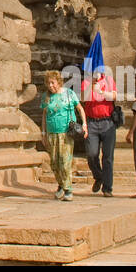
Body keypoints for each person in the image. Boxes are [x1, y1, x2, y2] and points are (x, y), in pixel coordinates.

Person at [41, 70, 87, 201]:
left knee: (65, 161)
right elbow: (44, 115)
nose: (50, 86)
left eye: (53, 83)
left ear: (59, 82)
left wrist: (84, 124)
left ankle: (68, 189)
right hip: (51, 132)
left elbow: (80, 109)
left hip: (65, 133)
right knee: (54, 162)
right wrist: (43, 132)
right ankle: (61, 185)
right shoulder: (46, 96)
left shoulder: (69, 94)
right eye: (48, 83)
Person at [81, 65, 118, 196]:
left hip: (107, 121)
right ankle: (98, 176)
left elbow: (114, 96)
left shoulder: (108, 80)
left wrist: (101, 92)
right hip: (92, 122)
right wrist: (91, 87)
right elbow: (83, 99)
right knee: (91, 154)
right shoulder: (85, 82)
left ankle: (107, 188)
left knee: (108, 156)